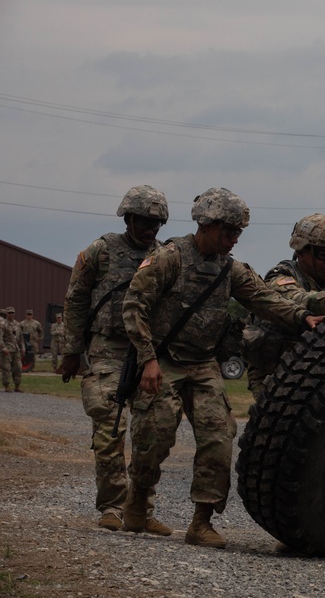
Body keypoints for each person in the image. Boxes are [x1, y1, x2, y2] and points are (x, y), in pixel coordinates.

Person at [121, 187, 325, 550]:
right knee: (154, 435)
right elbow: (134, 306)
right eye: (229, 231)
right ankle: (137, 503)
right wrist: (148, 359)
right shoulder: (170, 258)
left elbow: (265, 300)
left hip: (203, 365)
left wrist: (303, 316)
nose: (234, 239)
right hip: (164, 360)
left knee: (219, 438)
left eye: (238, 233)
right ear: (206, 224)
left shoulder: (231, 270)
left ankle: (201, 522)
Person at [60, 185, 173, 533]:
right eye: (143, 221)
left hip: (148, 352)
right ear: (128, 218)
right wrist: (71, 351)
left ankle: (140, 507)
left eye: (155, 222)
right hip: (106, 347)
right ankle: (111, 504)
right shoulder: (101, 251)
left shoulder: (167, 256)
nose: (149, 228)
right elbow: (76, 300)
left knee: (152, 429)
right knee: (109, 425)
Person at [243, 213, 325, 404]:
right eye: (323, 254)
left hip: (321, 374)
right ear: (301, 251)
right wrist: (324, 299)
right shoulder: (280, 276)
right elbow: (289, 296)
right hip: (275, 371)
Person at [1, 307, 25, 392]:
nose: (11, 314)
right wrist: (3, 347)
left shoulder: (17, 324)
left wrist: (22, 347)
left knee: (18, 367)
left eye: (12, 313)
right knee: (6, 368)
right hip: (7, 349)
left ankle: (17, 386)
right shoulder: (3, 324)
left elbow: (21, 337)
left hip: (16, 349)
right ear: (7, 314)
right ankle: (6, 386)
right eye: (9, 313)